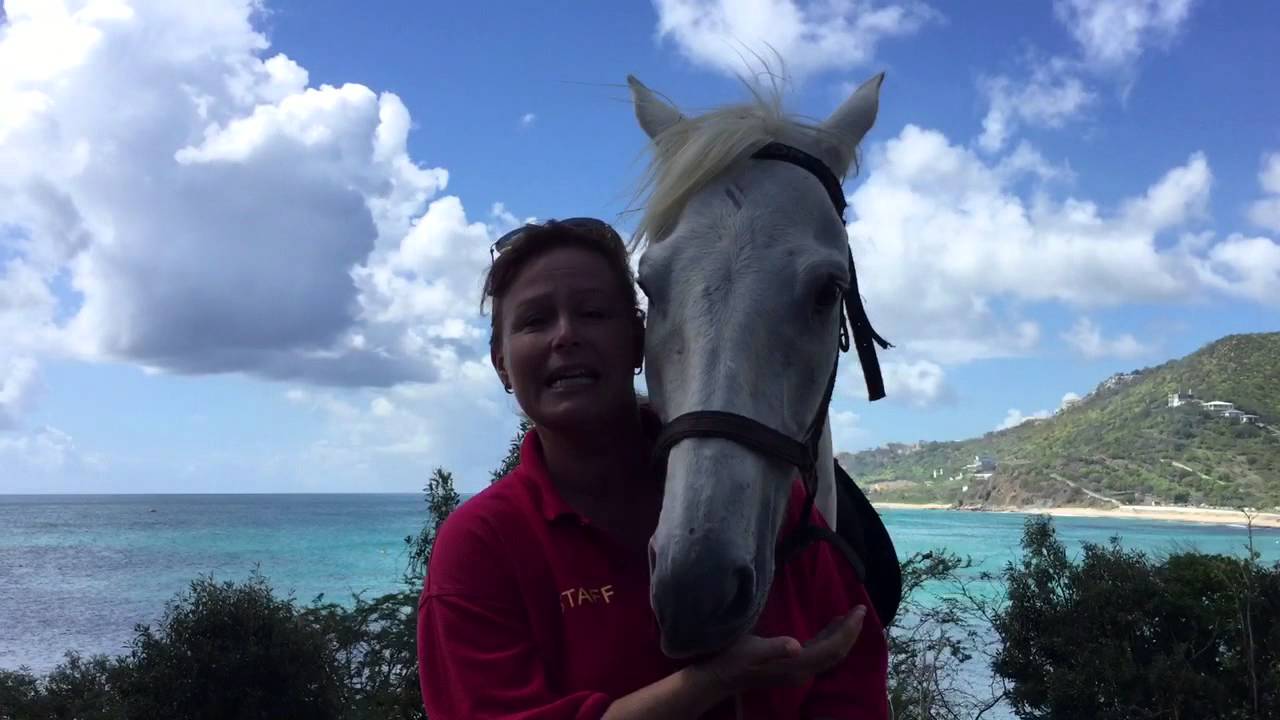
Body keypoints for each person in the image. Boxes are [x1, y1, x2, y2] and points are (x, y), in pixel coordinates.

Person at [416, 217, 889, 719]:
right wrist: (711, 683)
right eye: (534, 321)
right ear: (502, 363)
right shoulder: (482, 545)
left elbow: (850, 674)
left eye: (594, 313)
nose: (566, 335)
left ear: (642, 340)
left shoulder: (759, 496)